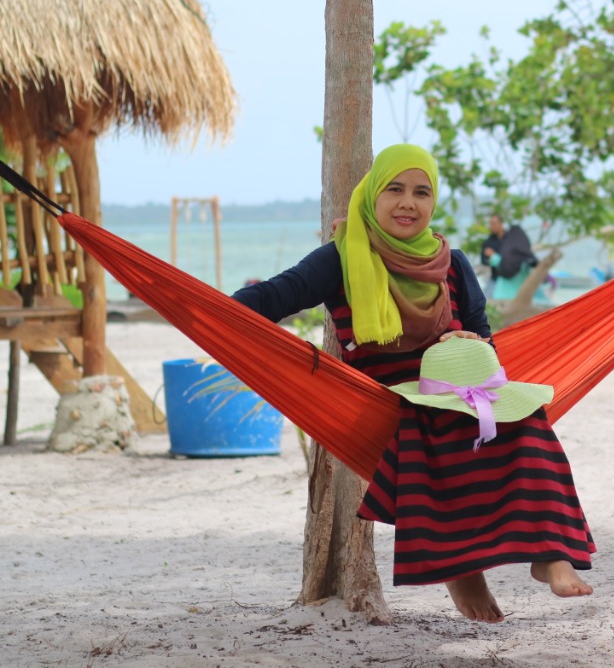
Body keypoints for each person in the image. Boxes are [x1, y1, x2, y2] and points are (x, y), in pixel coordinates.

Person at [232, 144, 593, 623]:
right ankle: (463, 570)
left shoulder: (453, 263)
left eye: (422, 192)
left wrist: (468, 340)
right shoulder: (341, 258)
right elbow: (268, 299)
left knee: (528, 421)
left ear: (434, 201)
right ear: (373, 196)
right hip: (387, 397)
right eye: (395, 189)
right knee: (435, 429)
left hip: (459, 385)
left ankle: (550, 553)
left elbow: (486, 344)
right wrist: (207, 309)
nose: (408, 202)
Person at [480, 213, 543, 302]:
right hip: (496, 278)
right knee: (484, 303)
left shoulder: (512, 239)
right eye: (490, 224)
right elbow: (484, 260)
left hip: (514, 277)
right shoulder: (488, 243)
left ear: (501, 223)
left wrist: (497, 257)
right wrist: (493, 259)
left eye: (493, 223)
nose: (491, 226)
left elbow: (522, 253)